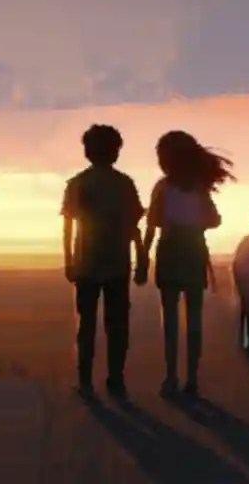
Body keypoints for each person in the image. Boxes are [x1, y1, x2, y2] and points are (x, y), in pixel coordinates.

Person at [142, 130, 234, 398]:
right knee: (194, 320)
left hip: (170, 252)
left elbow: (151, 225)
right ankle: (191, 379)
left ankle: (171, 377)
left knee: (170, 320)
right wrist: (195, 223)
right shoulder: (199, 187)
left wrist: (142, 260)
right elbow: (215, 220)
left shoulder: (162, 187)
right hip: (194, 253)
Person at [61, 124, 146, 399]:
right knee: (117, 324)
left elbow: (67, 227)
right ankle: (115, 379)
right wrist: (142, 256)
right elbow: (134, 227)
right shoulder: (124, 184)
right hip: (117, 262)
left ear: (87, 151)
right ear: (116, 151)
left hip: (87, 263)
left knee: (86, 324)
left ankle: (85, 380)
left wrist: (69, 261)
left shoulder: (78, 182)